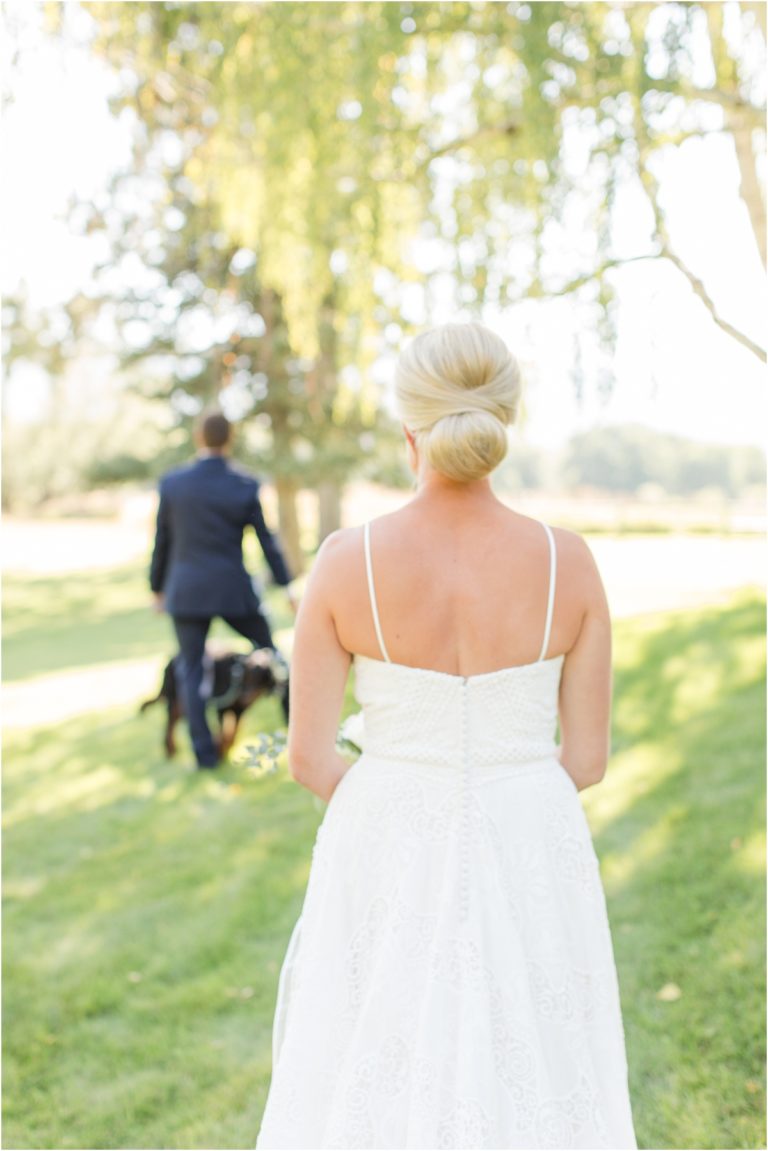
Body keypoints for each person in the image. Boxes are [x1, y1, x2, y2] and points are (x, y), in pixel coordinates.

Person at [255, 323, 637, 1149]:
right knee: (539, 1052)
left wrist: (394, 797)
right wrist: (508, 790)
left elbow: (308, 757)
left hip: (386, 832)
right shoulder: (569, 562)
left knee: (377, 1050)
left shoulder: (346, 560)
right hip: (531, 831)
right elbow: (587, 758)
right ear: (503, 421)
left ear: (410, 428)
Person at [149, 408, 296, 769]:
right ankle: (297, 735)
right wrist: (287, 585)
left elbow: (162, 541)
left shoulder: (174, 484)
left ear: (199, 437)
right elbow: (266, 540)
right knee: (275, 658)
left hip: (186, 591)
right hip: (233, 591)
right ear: (230, 439)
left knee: (191, 671)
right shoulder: (244, 484)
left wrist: (157, 588)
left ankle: (205, 757)